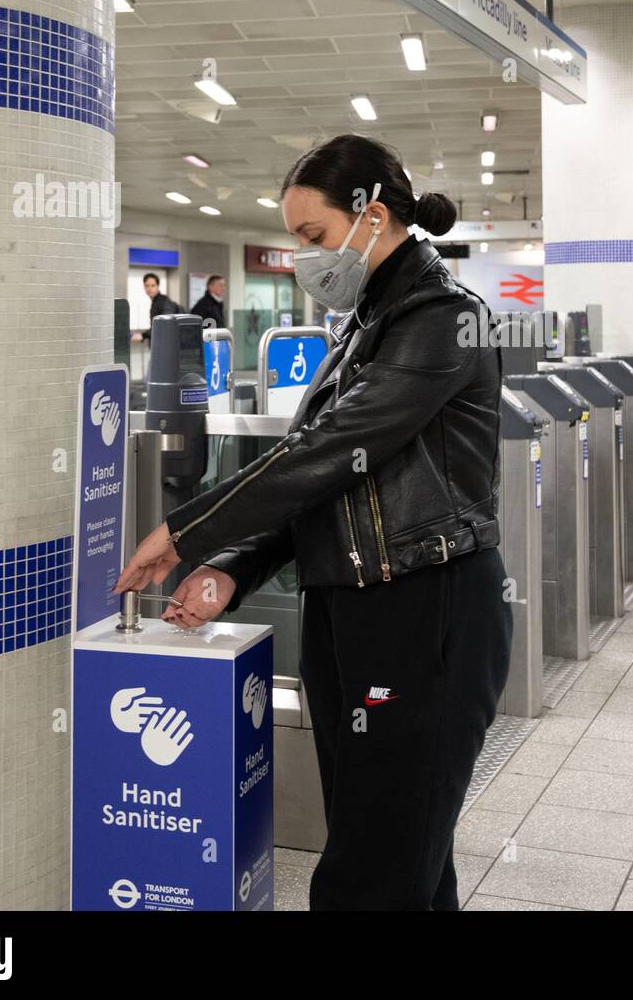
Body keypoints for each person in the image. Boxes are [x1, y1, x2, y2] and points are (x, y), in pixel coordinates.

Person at [115, 134, 511, 912]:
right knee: (402, 853)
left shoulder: (442, 320)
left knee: (373, 868)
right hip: (349, 609)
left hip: (425, 609)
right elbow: (320, 483)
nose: (305, 258)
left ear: (371, 214)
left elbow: (334, 449)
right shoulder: (362, 329)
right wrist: (233, 567)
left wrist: (187, 530)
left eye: (313, 237)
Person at [132, 272, 180, 344]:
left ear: (158, 286)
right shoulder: (155, 302)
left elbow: (164, 323)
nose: (149, 288)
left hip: (167, 345)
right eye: (147, 286)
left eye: (153, 285)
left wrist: (143, 335)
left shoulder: (164, 302)